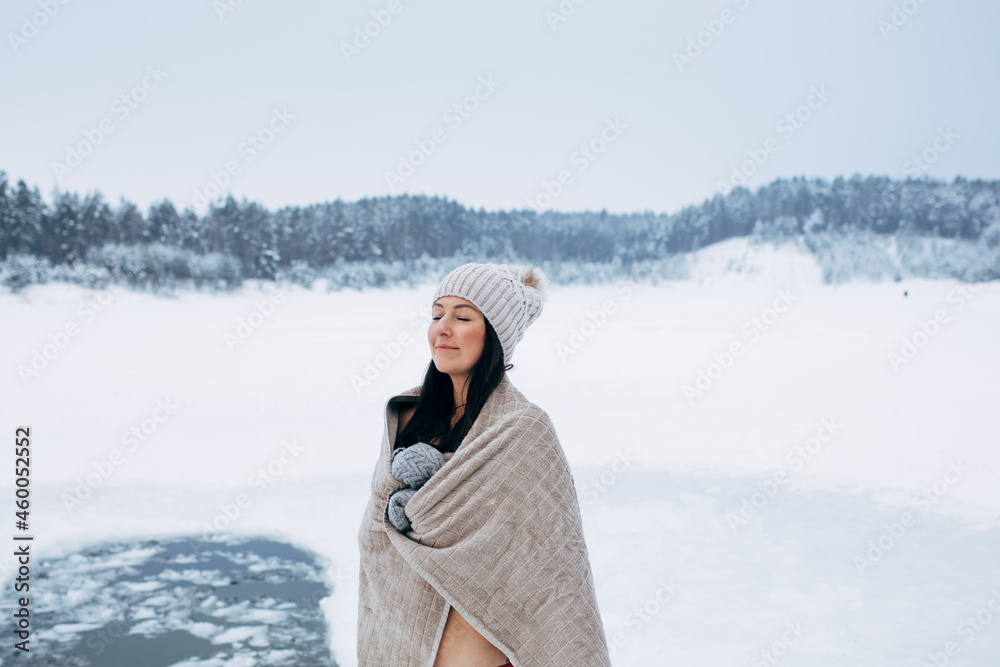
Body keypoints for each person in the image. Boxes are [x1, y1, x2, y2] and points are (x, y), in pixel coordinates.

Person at [357, 262, 612, 667]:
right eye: (437, 313)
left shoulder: (521, 431)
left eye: (462, 317)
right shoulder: (406, 421)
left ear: (494, 335)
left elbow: (554, 561)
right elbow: (377, 544)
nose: (442, 327)